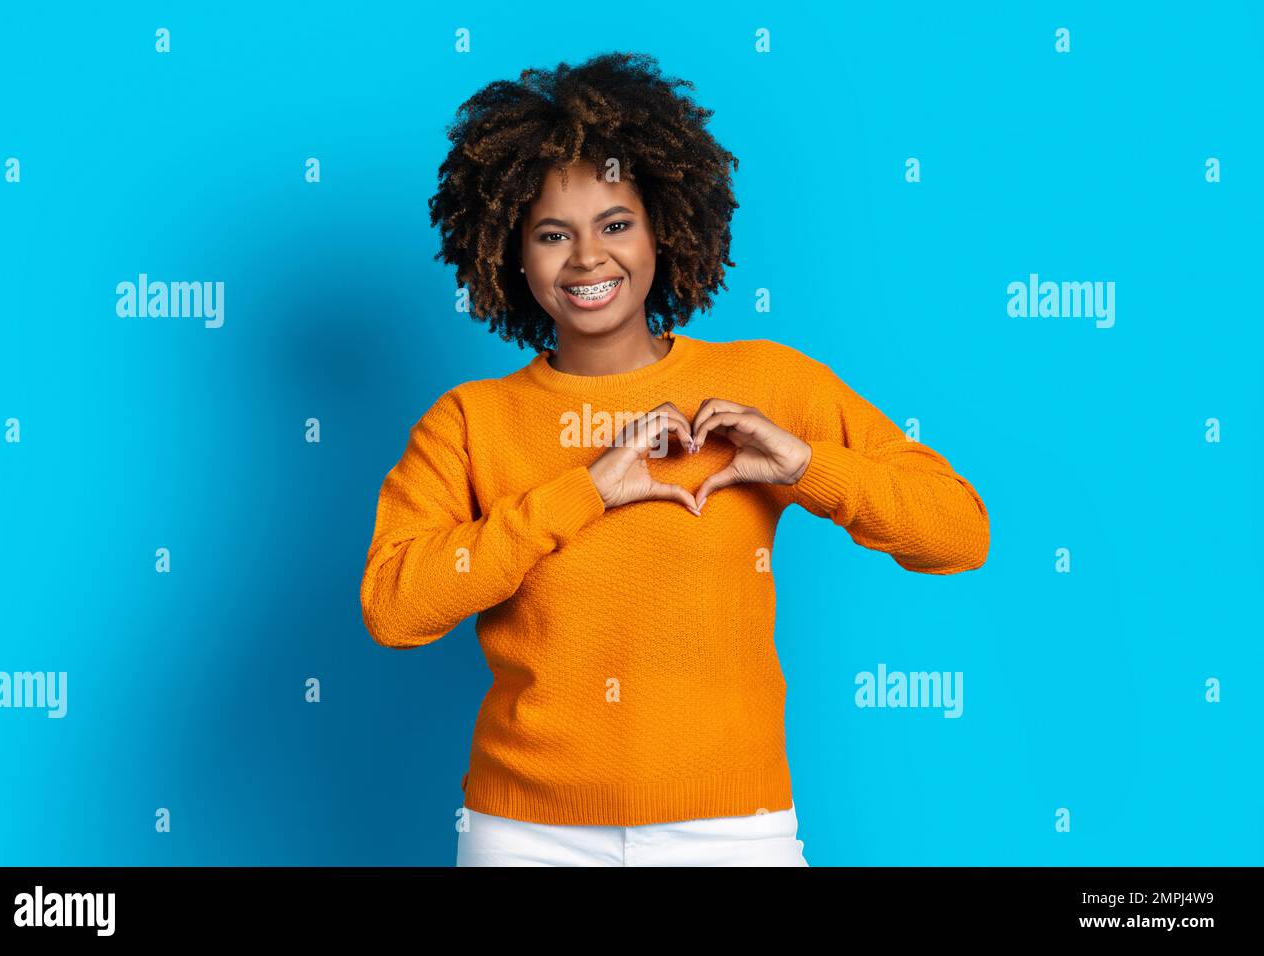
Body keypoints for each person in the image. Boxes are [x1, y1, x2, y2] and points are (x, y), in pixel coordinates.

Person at [360, 51, 990, 866]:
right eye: (553, 234)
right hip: (525, 835)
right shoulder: (470, 422)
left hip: (732, 831)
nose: (588, 259)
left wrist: (807, 468)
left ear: (665, 224)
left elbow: (959, 534)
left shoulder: (767, 382)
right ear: (512, 253)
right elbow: (394, 608)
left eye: (616, 224)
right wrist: (579, 493)